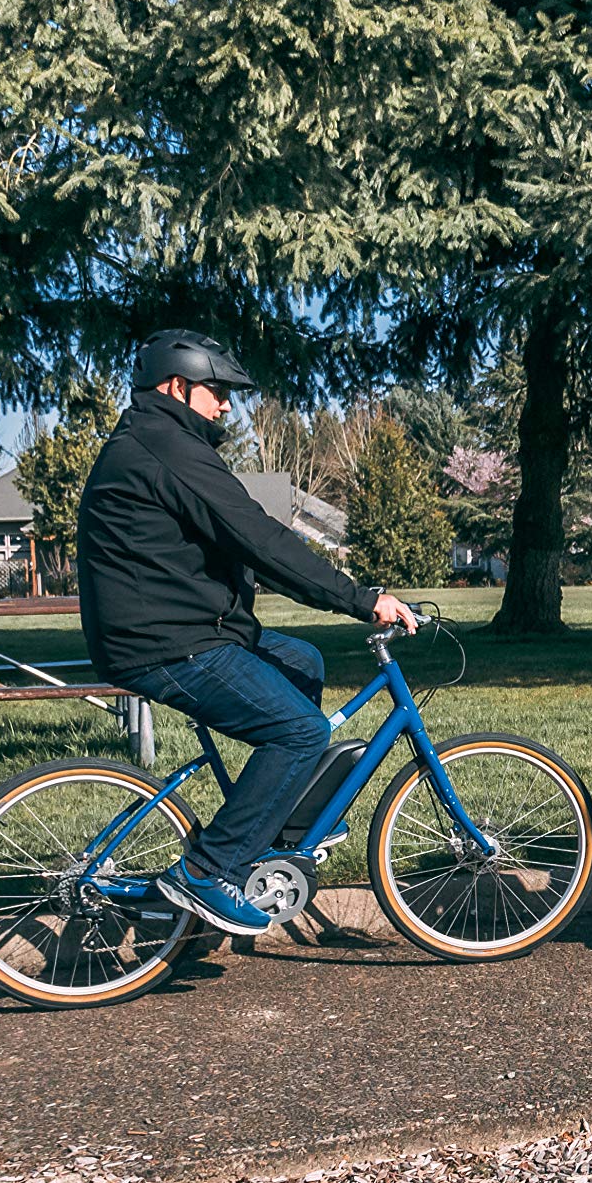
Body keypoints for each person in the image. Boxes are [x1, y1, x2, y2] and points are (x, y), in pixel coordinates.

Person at [76, 330, 417, 935]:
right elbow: (260, 537)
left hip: (190, 628)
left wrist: (329, 593)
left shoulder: (161, 440)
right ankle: (208, 871)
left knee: (303, 661)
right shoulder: (166, 448)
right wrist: (363, 601)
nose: (228, 406)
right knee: (298, 730)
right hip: (167, 642)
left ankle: (276, 829)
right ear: (177, 387)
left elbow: (249, 551)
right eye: (218, 392)